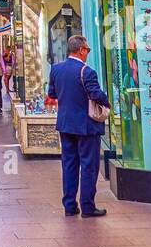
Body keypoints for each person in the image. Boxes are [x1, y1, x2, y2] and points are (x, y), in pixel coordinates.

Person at [47, 34, 110, 218]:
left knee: (69, 165)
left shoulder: (56, 69)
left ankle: (69, 205)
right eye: (88, 50)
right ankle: (88, 207)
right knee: (89, 166)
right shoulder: (87, 72)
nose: (88, 53)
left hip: (66, 124)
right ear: (81, 50)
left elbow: (52, 93)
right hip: (86, 126)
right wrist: (107, 103)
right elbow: (96, 94)